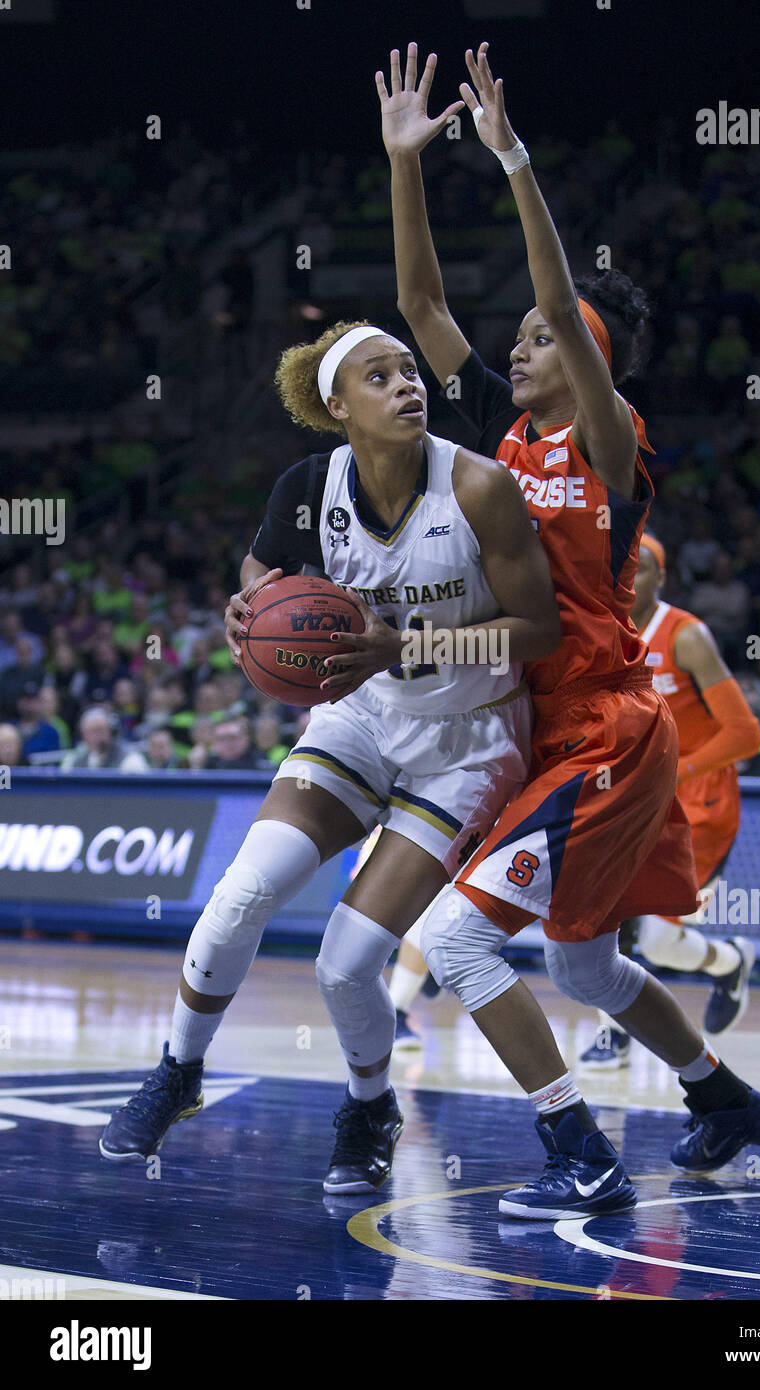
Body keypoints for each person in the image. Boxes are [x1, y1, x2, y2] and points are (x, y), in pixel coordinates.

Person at [380, 41, 760, 1218]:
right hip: (562, 731)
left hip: (605, 736)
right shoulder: (502, 446)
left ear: (592, 362)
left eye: (539, 338)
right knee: (582, 964)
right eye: (512, 337)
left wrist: (511, 158)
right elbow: (418, 306)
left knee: (456, 946)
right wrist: (406, 164)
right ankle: (724, 1100)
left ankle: (581, 1152)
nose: (518, 345)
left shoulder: (611, 451)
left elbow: (562, 296)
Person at [99, 315, 560, 1199]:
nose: (406, 385)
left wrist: (406, 644)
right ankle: (179, 1072)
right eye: (380, 377)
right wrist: (246, 613)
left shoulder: (481, 485)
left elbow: (536, 630)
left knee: (346, 962)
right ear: (337, 405)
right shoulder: (310, 487)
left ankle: (368, 1106)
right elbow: (258, 576)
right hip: (360, 717)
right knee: (240, 897)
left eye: (409, 372)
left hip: (464, 741)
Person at [576, 533, 760, 1069]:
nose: (628, 578)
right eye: (620, 568)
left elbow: (746, 734)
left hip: (696, 800)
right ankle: (614, 1034)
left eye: (643, 568)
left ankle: (729, 963)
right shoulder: (595, 631)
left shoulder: (687, 636)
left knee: (658, 943)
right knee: (603, 915)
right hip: (627, 797)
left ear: (663, 578)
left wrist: (677, 770)